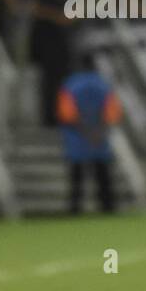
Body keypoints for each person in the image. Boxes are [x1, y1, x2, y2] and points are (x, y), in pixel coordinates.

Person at [56, 58, 122, 214]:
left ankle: (75, 210)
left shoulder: (70, 85)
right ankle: (108, 209)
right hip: (100, 138)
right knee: (103, 178)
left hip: (77, 139)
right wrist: (98, 132)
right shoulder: (103, 85)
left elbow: (67, 114)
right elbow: (112, 113)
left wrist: (86, 132)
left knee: (77, 180)